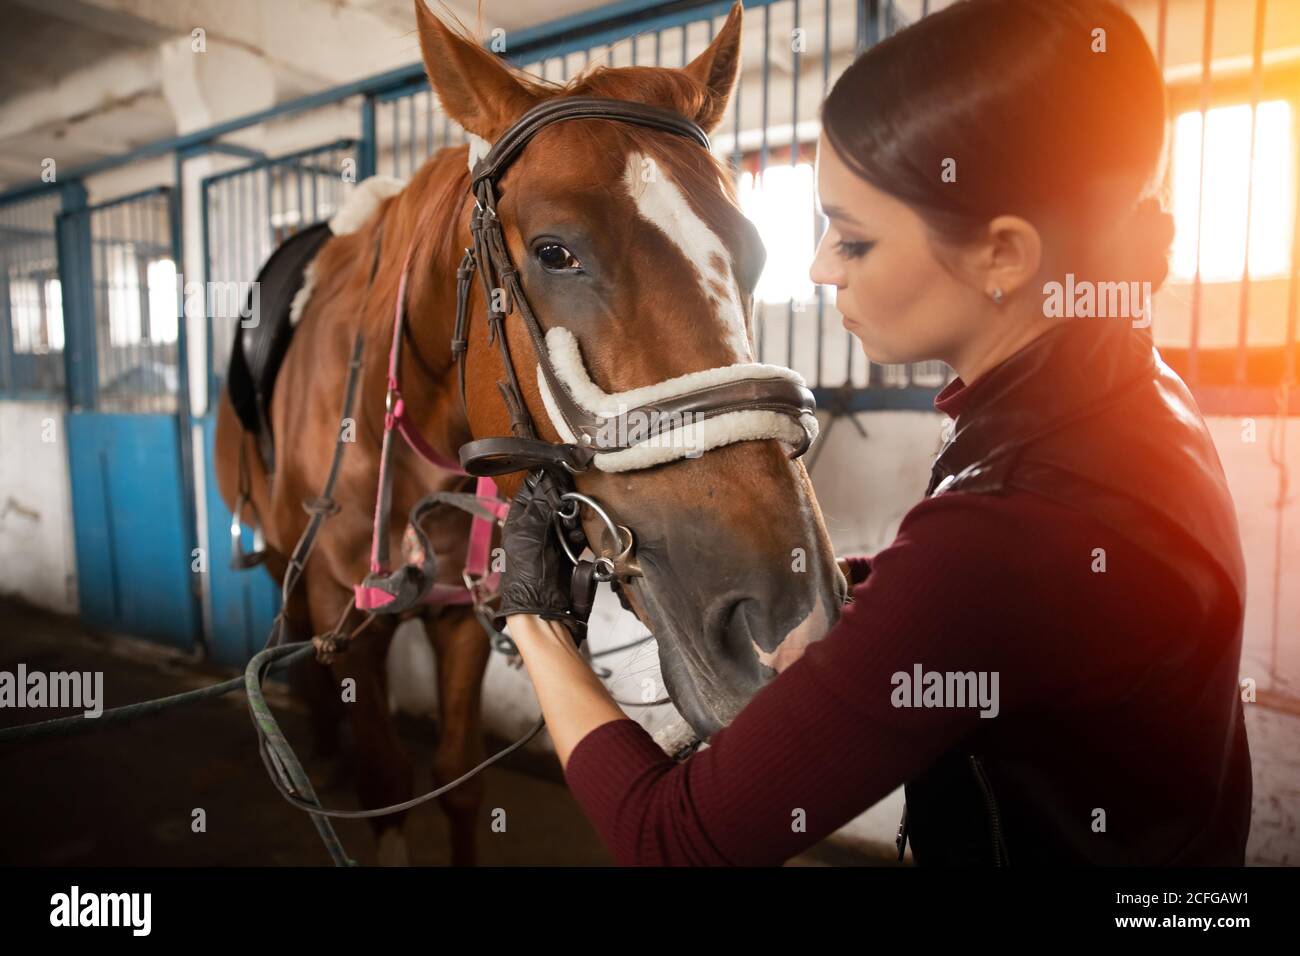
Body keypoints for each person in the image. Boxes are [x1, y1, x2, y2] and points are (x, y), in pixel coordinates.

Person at [494, 0, 1253, 865]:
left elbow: (671, 841)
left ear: (1003, 255)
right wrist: (864, 600)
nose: (819, 267)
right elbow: (1014, 627)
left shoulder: (1007, 529)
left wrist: (537, 623)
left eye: (852, 241)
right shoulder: (1127, 397)